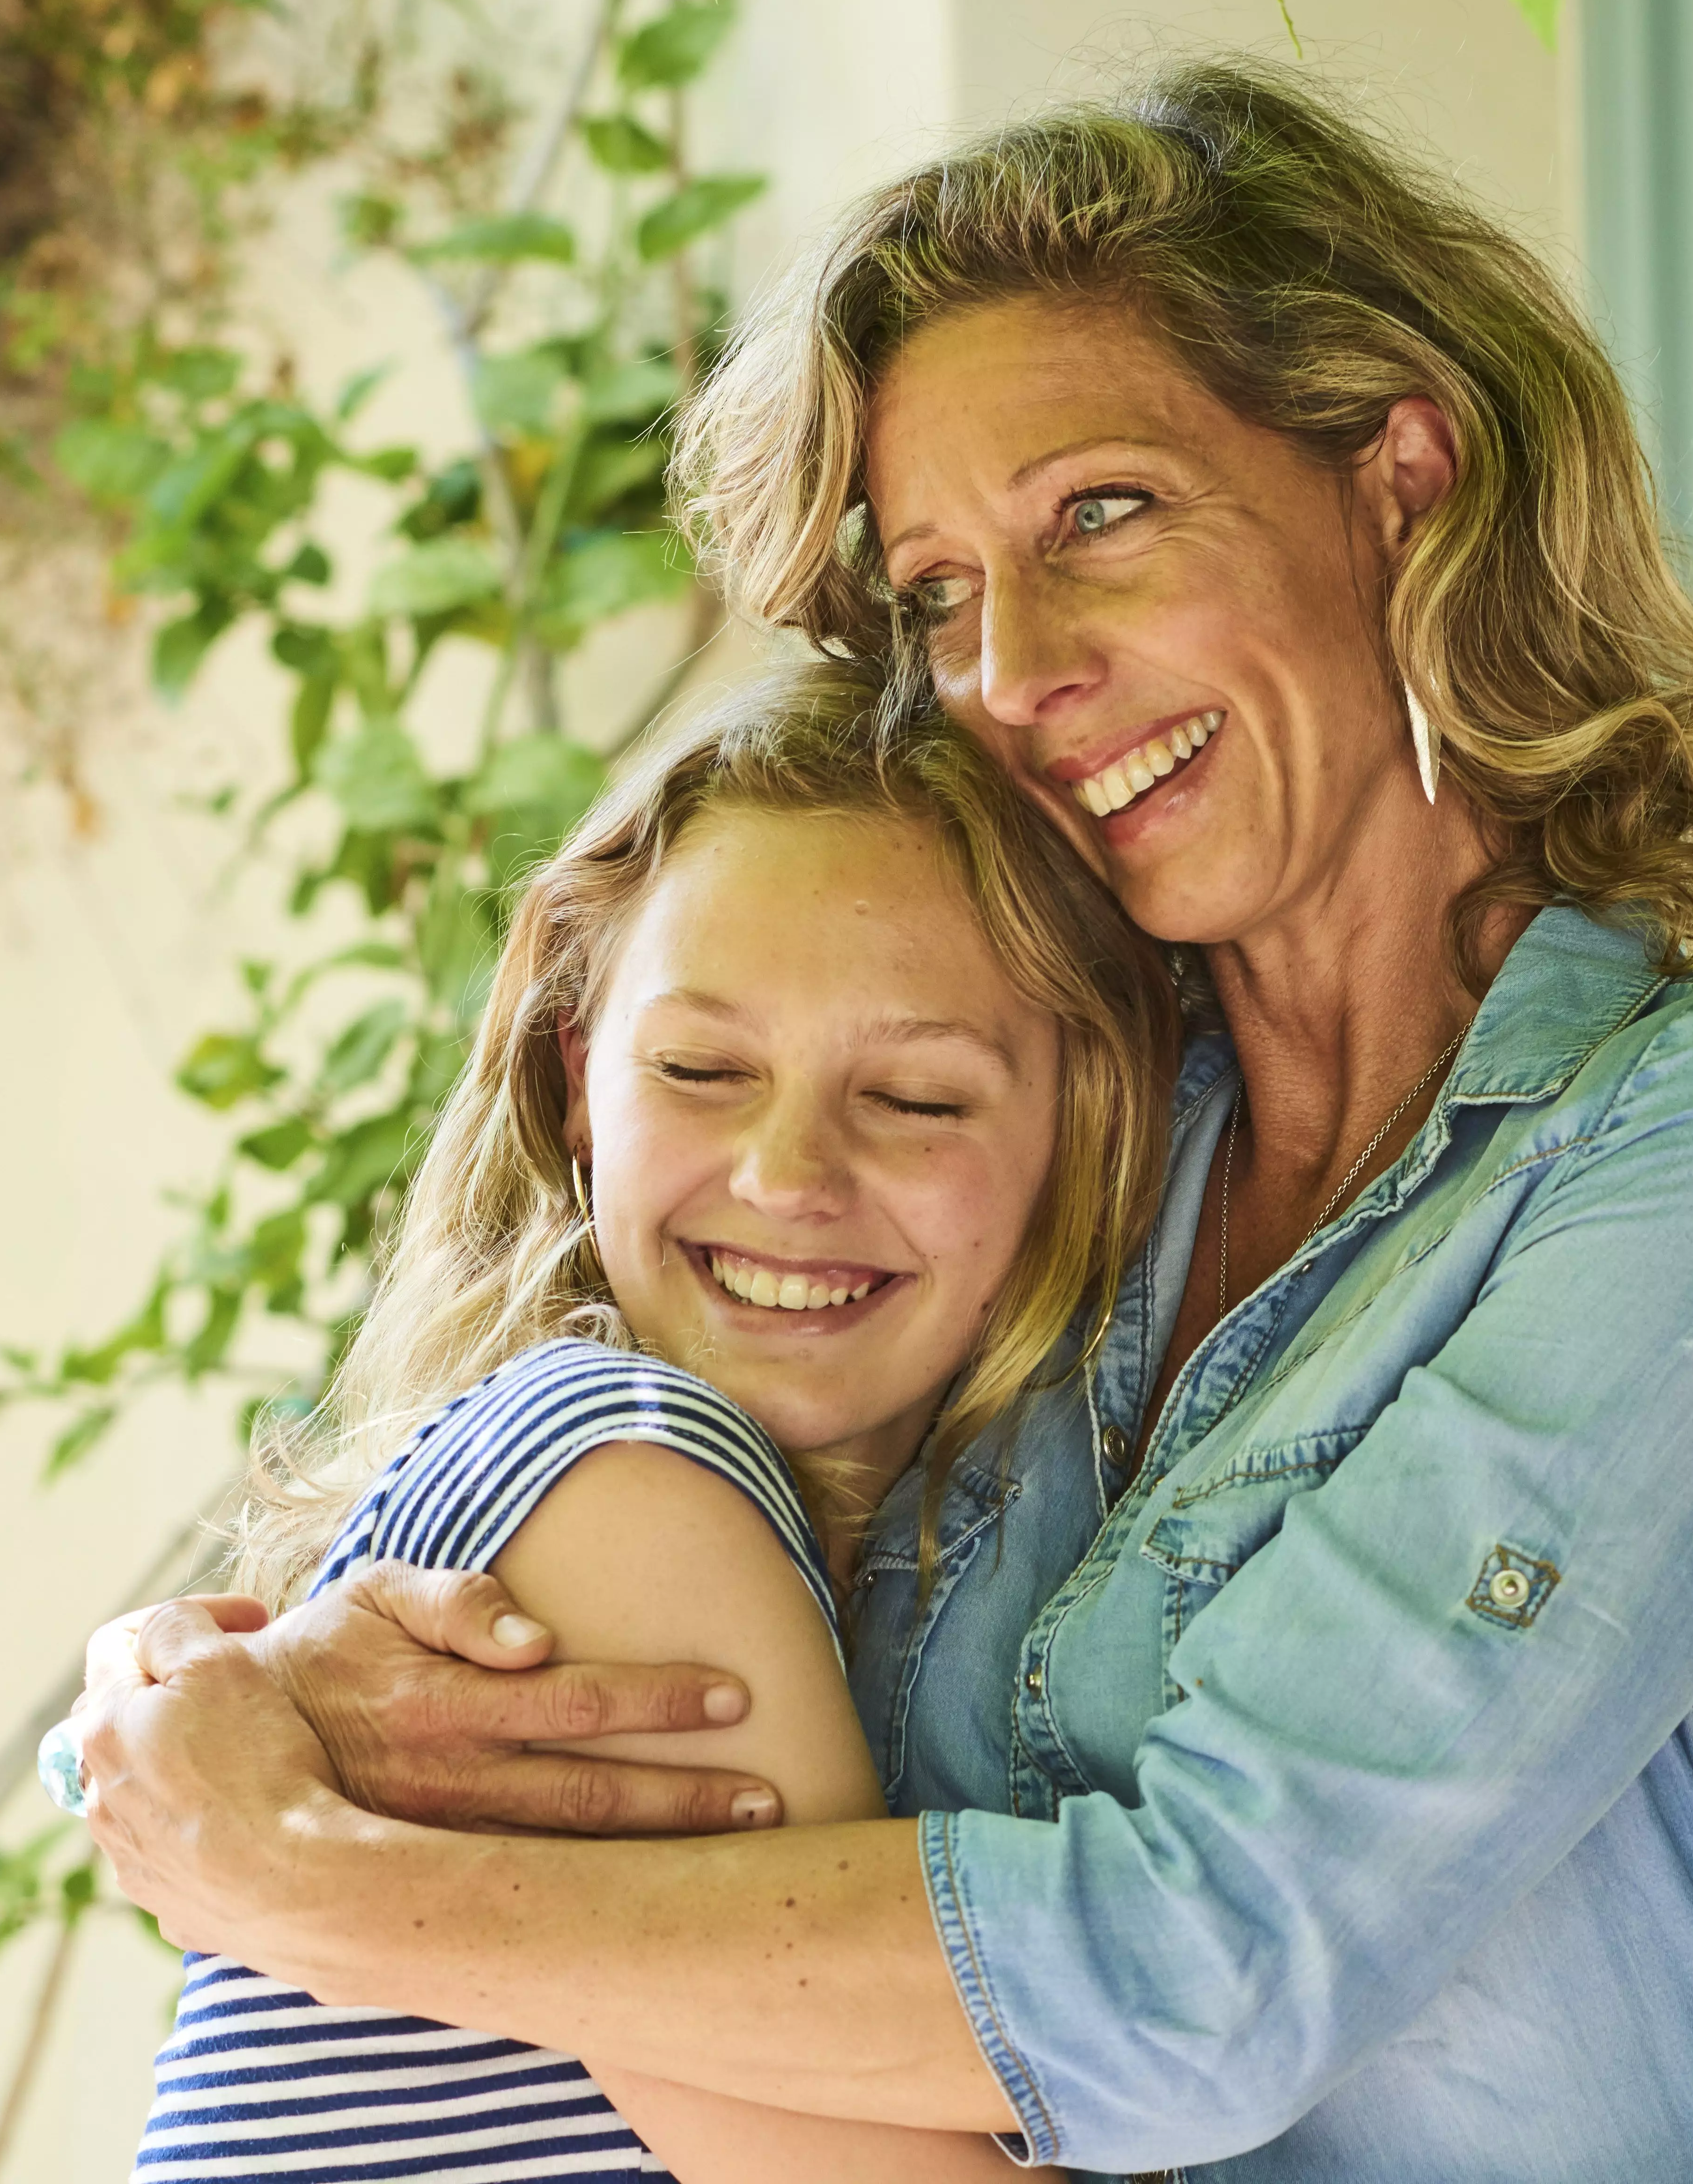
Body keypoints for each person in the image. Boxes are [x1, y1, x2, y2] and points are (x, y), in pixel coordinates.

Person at [74, 60, 1693, 2184]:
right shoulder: (1029, 1146)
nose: (1013, 670)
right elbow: (649, 1603)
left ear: (1401, 479)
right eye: (934, 594)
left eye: (1101, 515)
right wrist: (219, 1690)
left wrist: (317, 1878)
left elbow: (1209, 1979)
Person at [104, 660, 1174, 2181]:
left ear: (1085, 1126)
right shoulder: (616, 1479)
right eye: (702, 1070)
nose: (790, 1176)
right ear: (579, 1085)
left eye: (920, 1098)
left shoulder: (858, 1568)